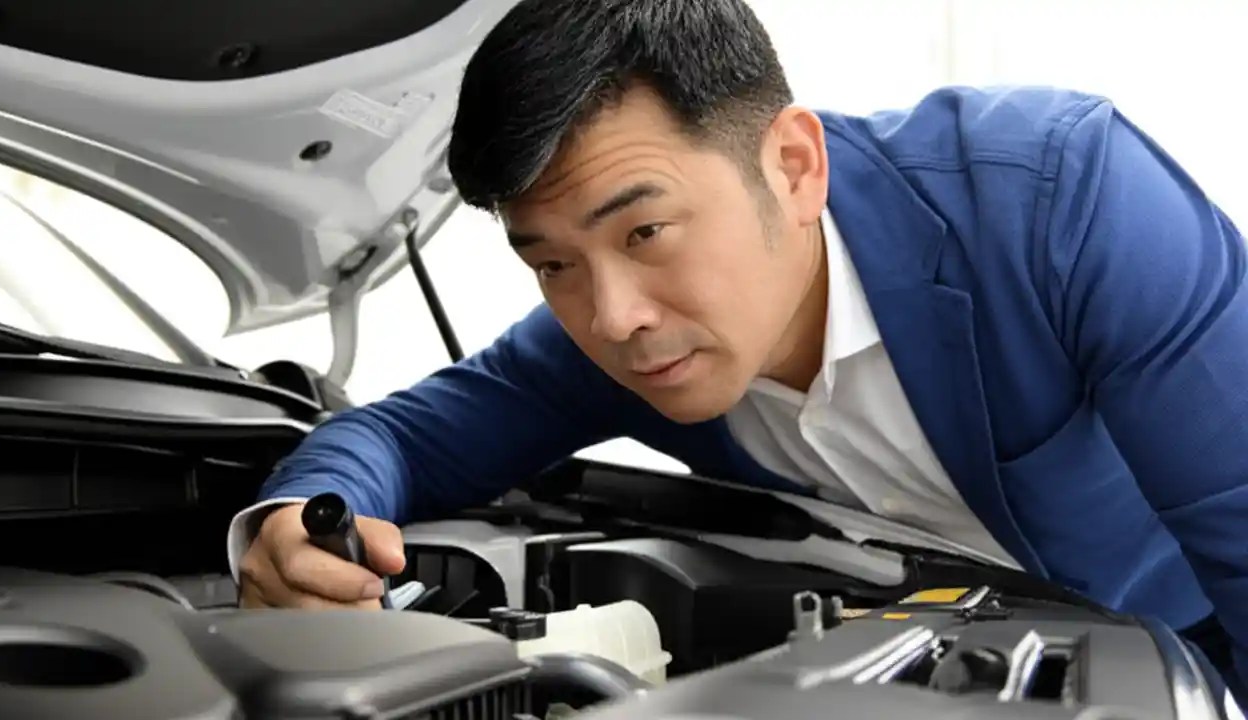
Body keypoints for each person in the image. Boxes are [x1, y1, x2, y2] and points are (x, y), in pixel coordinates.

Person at [229, 0, 1248, 706]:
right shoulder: (607, 333)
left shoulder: (1058, 201)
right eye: (550, 264)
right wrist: (290, 519)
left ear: (793, 166)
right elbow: (400, 437)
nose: (612, 317)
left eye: (642, 232)